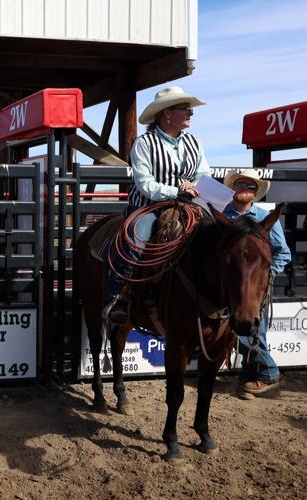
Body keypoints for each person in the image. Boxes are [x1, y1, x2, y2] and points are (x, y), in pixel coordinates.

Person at [103, 86, 210, 324]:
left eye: (190, 109)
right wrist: (177, 190)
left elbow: (204, 173)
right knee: (137, 238)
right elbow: (145, 184)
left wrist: (192, 186)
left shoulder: (194, 142)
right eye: (185, 109)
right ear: (167, 114)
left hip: (188, 206)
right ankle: (118, 298)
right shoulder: (144, 143)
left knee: (216, 233)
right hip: (149, 207)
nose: (191, 113)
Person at [221, 169, 291, 400]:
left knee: (251, 331)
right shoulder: (223, 216)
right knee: (247, 330)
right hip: (231, 285)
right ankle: (247, 379)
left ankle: (270, 372)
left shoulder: (265, 218)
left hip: (256, 286)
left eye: (251, 187)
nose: (245, 189)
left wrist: (265, 275)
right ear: (234, 187)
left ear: (255, 193)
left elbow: (282, 253)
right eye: (241, 184)